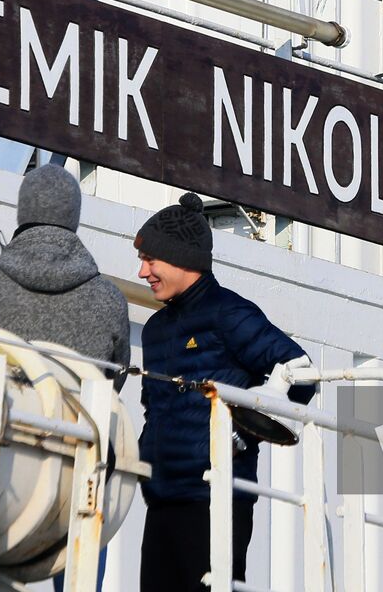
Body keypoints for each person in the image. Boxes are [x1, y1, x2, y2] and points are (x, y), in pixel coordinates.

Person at [135, 192, 315, 592]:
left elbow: (301, 373)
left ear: (183, 258)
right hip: (162, 499)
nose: (143, 271)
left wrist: (241, 435)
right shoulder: (155, 329)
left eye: (151, 260)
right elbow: (154, 410)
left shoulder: (229, 313)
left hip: (216, 499)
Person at [0, 163, 131, 388]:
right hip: (78, 419)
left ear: (22, 212)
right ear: (73, 215)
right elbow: (115, 379)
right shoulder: (109, 299)